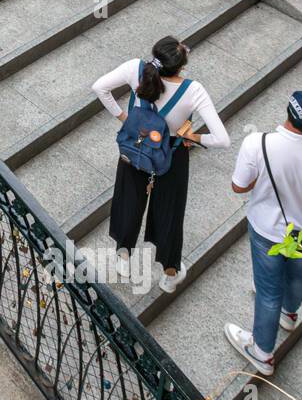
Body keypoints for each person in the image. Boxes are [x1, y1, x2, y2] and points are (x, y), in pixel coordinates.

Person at [224, 92, 302, 376]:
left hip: (267, 230)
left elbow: (238, 187)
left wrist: (264, 179)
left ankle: (262, 353)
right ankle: (289, 314)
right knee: (298, 276)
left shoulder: (257, 143)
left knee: (268, 292)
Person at [93, 36, 230, 292]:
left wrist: (124, 118)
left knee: (128, 200)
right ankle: (169, 273)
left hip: (136, 146)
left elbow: (99, 87)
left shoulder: (135, 69)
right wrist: (192, 136)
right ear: (180, 67)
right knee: (170, 211)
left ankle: (123, 257)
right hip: (171, 154)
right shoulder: (193, 90)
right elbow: (223, 140)